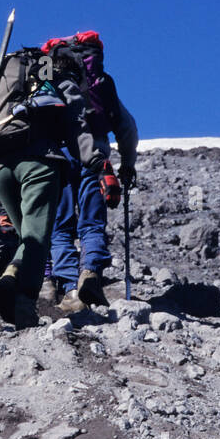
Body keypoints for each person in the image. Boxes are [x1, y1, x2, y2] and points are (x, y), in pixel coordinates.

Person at [0, 54, 110, 328]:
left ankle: (11, 276)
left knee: (27, 236)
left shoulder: (8, 81)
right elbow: (77, 124)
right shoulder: (61, 79)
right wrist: (97, 163)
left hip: (0, 169)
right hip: (38, 164)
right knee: (38, 240)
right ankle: (24, 305)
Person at [49, 97, 138, 311]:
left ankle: (71, 290)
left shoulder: (49, 81)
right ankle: (90, 273)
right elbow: (127, 127)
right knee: (92, 223)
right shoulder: (99, 82)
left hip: (59, 157)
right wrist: (127, 165)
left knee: (60, 228)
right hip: (96, 157)